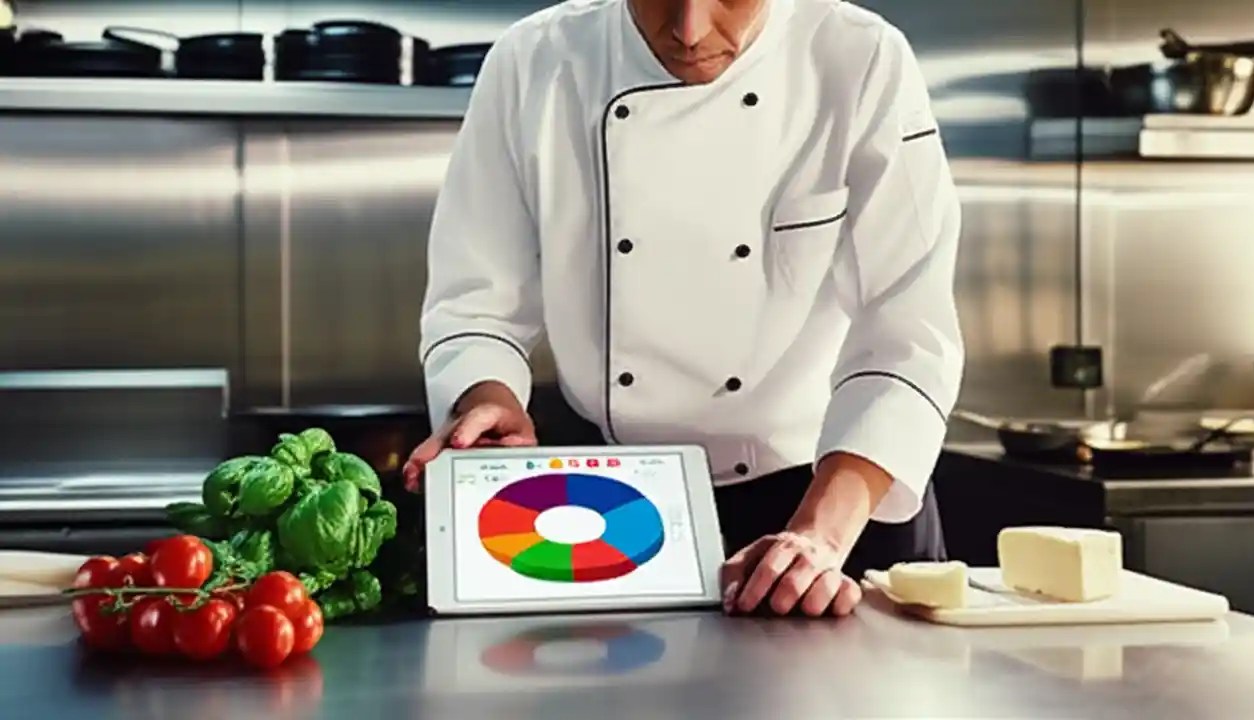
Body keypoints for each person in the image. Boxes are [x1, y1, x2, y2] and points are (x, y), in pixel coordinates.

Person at [402, 0, 964, 618]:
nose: (690, 30)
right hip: (613, 506)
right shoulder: (534, 61)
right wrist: (487, 398)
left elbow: (910, 331)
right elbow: (475, 300)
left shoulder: (860, 57)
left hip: (836, 503)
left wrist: (820, 535)